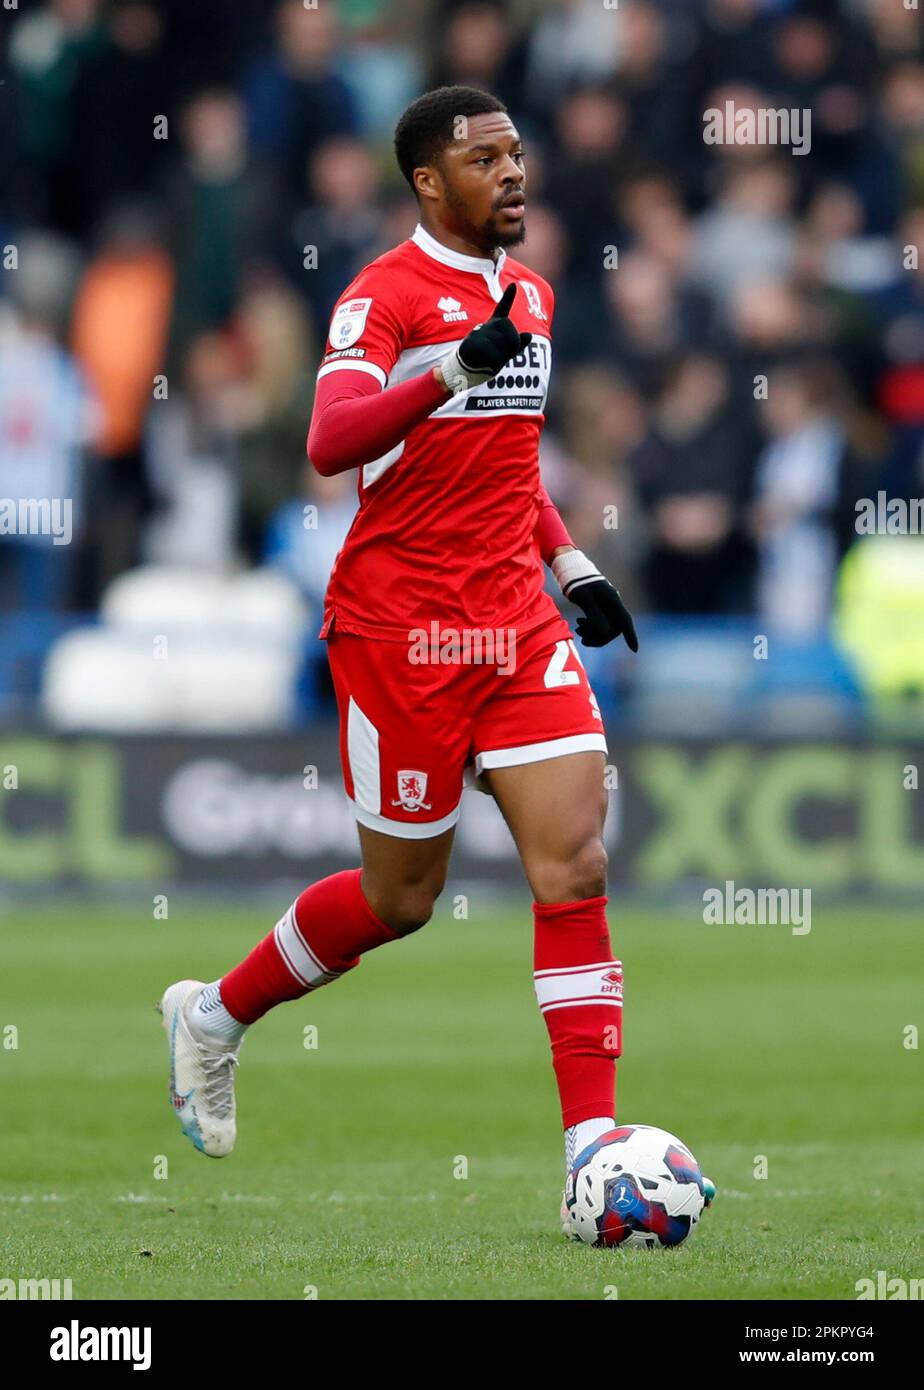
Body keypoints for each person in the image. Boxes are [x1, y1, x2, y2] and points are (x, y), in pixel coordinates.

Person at [158, 85, 714, 1234]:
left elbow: (510, 471)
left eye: (520, 153)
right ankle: (214, 1015)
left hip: (516, 623)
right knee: (400, 899)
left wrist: (573, 570)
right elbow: (328, 442)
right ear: (429, 181)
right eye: (487, 159)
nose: (514, 173)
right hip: (400, 633)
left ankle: (590, 1149)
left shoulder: (535, 294)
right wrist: (456, 363)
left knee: (576, 863)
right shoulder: (381, 298)